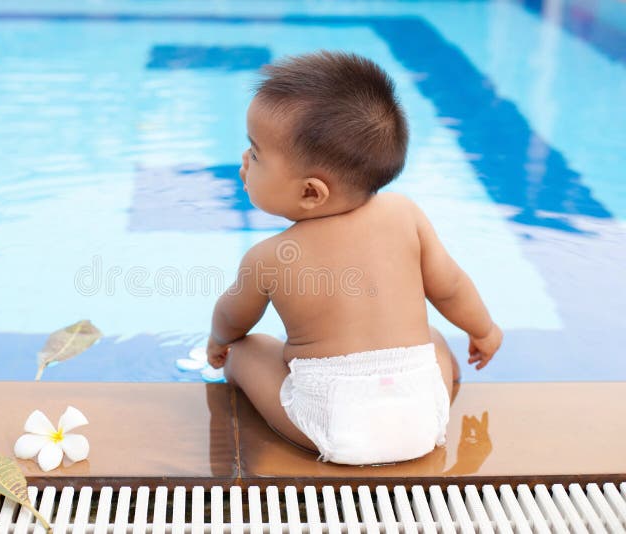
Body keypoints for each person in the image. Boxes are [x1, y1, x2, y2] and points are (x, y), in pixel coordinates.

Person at [206, 50, 503, 465]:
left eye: (255, 154)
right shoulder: (405, 214)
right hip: (423, 416)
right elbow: (450, 286)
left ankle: (247, 376)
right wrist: (484, 329)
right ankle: (443, 384)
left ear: (311, 192)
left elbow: (232, 318)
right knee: (432, 338)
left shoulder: (268, 258)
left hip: (330, 423)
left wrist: (220, 342)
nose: (243, 160)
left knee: (248, 349)